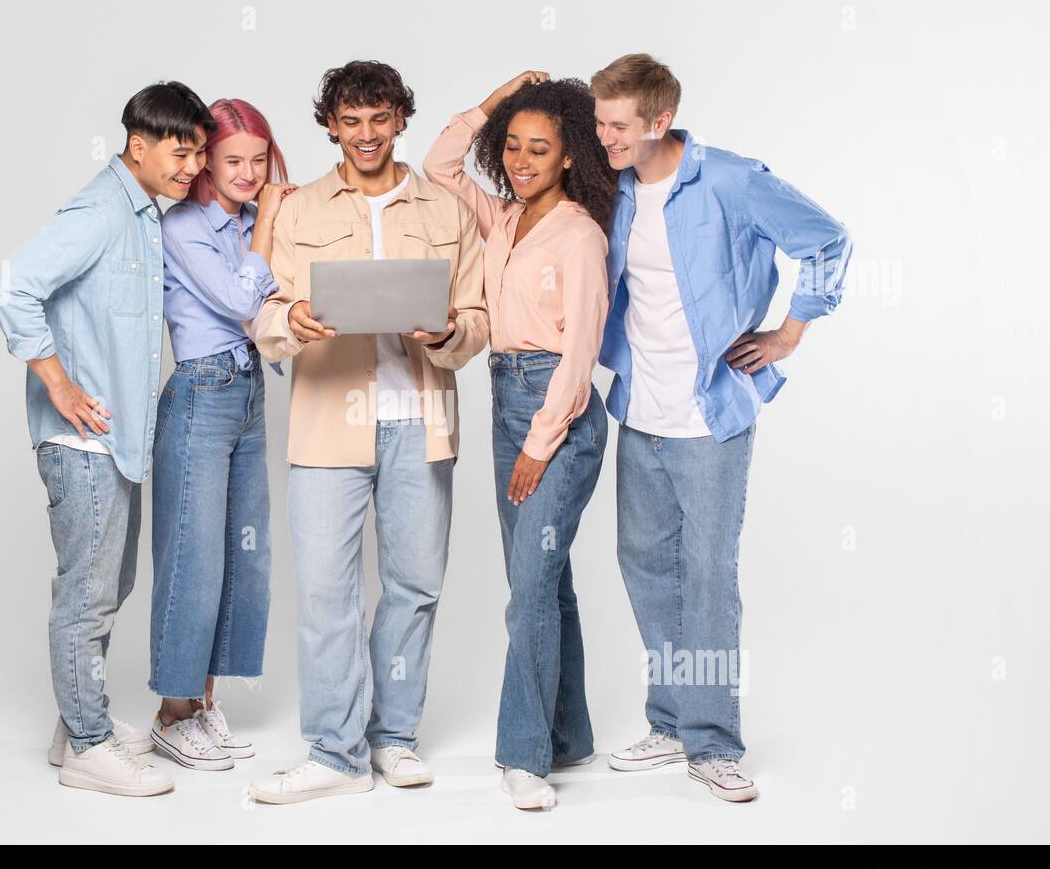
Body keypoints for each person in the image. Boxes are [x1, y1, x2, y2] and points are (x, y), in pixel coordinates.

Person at [593, 54, 852, 802]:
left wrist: (788, 334)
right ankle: (672, 720)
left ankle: (712, 741)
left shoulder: (730, 180)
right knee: (644, 568)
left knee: (707, 577)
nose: (603, 137)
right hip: (638, 412)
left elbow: (827, 241)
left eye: (616, 125)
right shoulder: (611, 189)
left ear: (658, 121)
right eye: (599, 121)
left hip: (710, 414)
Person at [246, 60, 488, 804]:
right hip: (326, 427)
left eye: (379, 119)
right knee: (325, 593)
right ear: (330, 126)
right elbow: (261, 317)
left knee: (414, 586)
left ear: (400, 120)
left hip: (422, 423)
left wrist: (448, 330)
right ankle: (335, 752)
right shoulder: (299, 210)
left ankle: (394, 739)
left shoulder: (447, 210)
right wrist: (291, 321)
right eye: (350, 122)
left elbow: (478, 318)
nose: (366, 135)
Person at [0, 81, 217, 797]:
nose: (191, 168)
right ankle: (90, 744)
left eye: (199, 154)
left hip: (112, 442)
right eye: (181, 153)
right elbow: (14, 285)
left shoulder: (141, 214)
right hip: (80, 444)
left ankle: (73, 725)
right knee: (87, 595)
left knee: (106, 585)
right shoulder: (99, 211)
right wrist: (58, 384)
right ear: (138, 146)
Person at [424, 71, 615, 810]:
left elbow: (580, 354)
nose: (521, 159)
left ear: (570, 156)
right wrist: (495, 98)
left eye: (540, 148)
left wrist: (541, 441)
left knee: (530, 586)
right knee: (543, 579)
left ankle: (525, 756)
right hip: (504, 394)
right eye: (511, 145)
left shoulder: (580, 235)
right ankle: (568, 736)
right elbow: (441, 164)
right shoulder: (500, 217)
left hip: (556, 417)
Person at [147, 99, 297, 772]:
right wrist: (268, 220)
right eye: (232, 159)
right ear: (206, 159)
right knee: (195, 557)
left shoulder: (245, 227)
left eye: (258, 160)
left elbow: (276, 306)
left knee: (246, 558)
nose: (246, 172)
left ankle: (203, 704)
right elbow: (244, 303)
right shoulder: (184, 225)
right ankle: (170, 713)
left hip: (246, 392)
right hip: (201, 395)